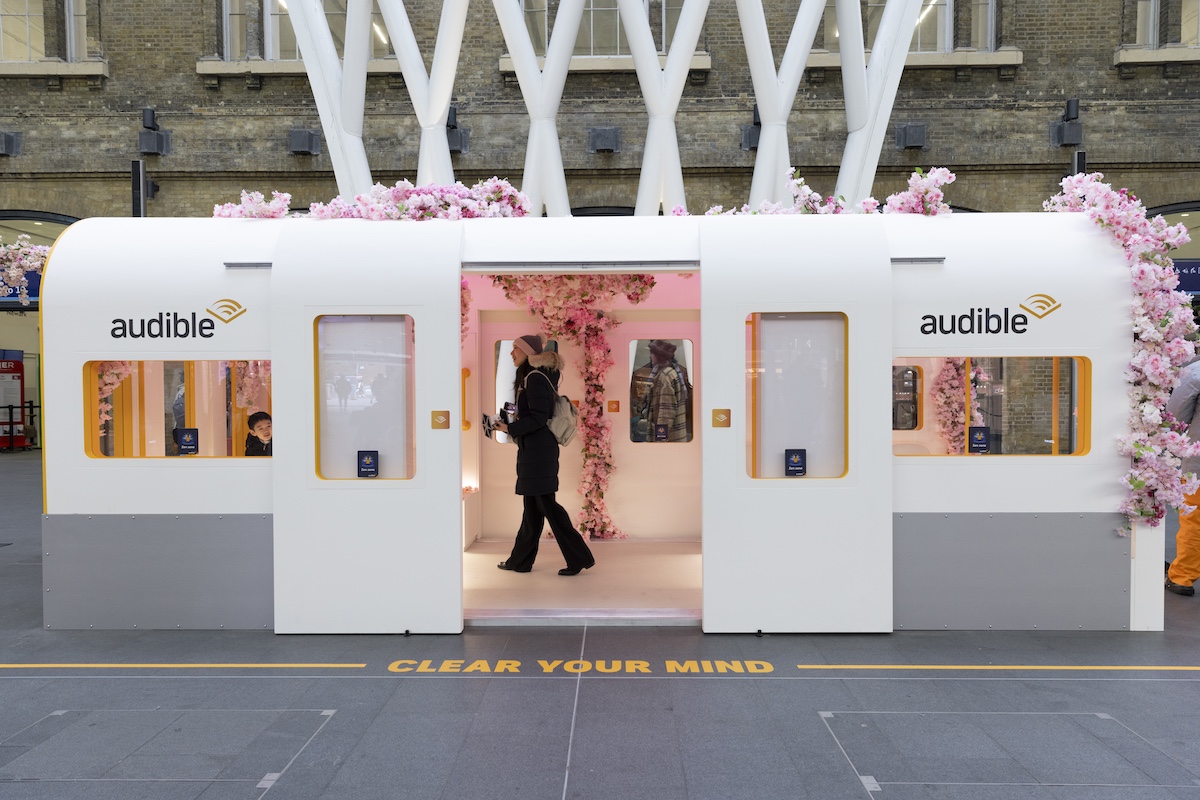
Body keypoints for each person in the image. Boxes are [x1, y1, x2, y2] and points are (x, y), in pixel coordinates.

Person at [494, 334, 595, 576]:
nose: (511, 353)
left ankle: (579, 557)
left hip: (538, 453)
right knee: (532, 509)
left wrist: (509, 428)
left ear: (529, 352)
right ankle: (520, 561)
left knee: (548, 506)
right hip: (536, 450)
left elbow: (539, 418)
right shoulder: (533, 376)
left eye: (516, 348)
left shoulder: (535, 378)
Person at [1167, 360, 1200, 596]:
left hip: (1198, 464)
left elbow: (1176, 415)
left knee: (1194, 521)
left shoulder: (1196, 372)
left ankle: (1182, 577)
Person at [645, 339, 691, 442]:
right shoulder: (670, 372)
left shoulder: (665, 376)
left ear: (659, 356)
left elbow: (666, 413)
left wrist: (661, 439)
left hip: (670, 440)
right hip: (675, 437)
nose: (650, 356)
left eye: (652, 353)